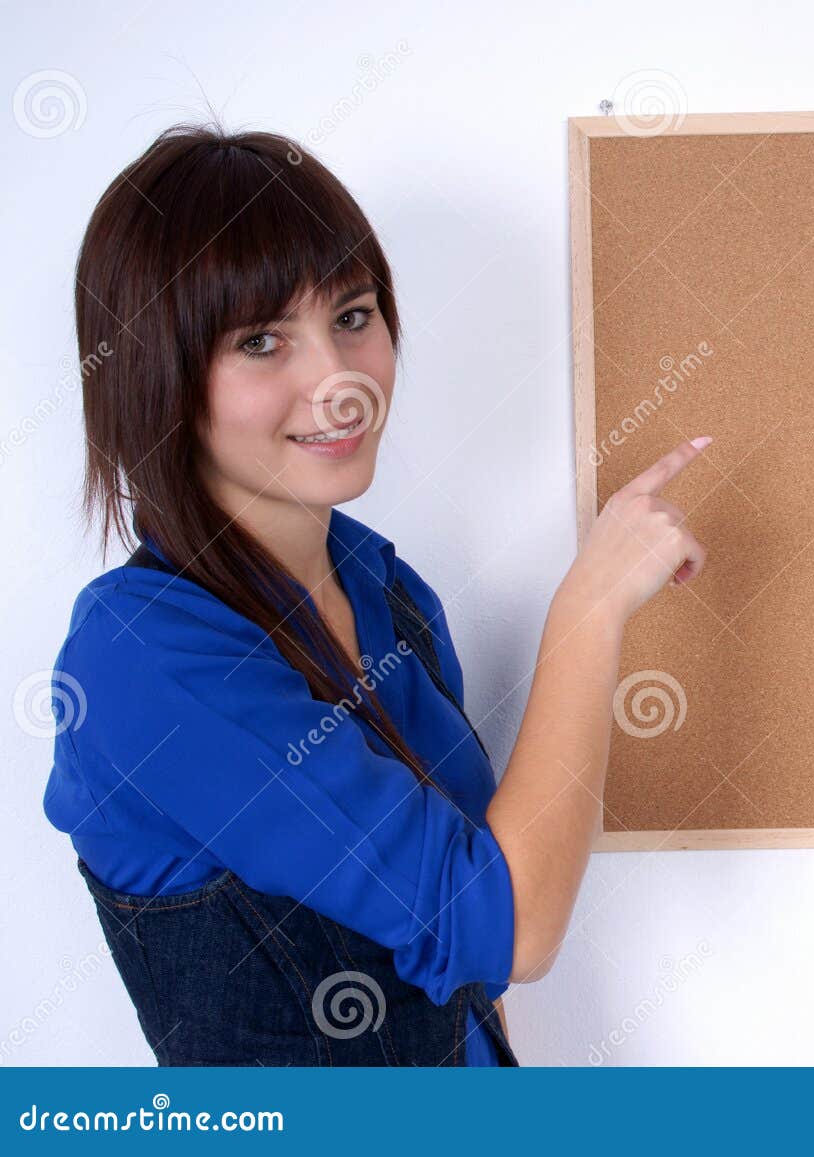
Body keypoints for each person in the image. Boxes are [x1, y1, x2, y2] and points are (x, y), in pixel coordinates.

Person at [40, 122, 709, 1065]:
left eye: (354, 316)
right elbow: (509, 926)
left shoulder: (386, 589)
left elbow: (470, 971)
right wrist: (590, 609)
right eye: (264, 340)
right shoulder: (142, 653)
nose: (340, 382)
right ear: (160, 374)